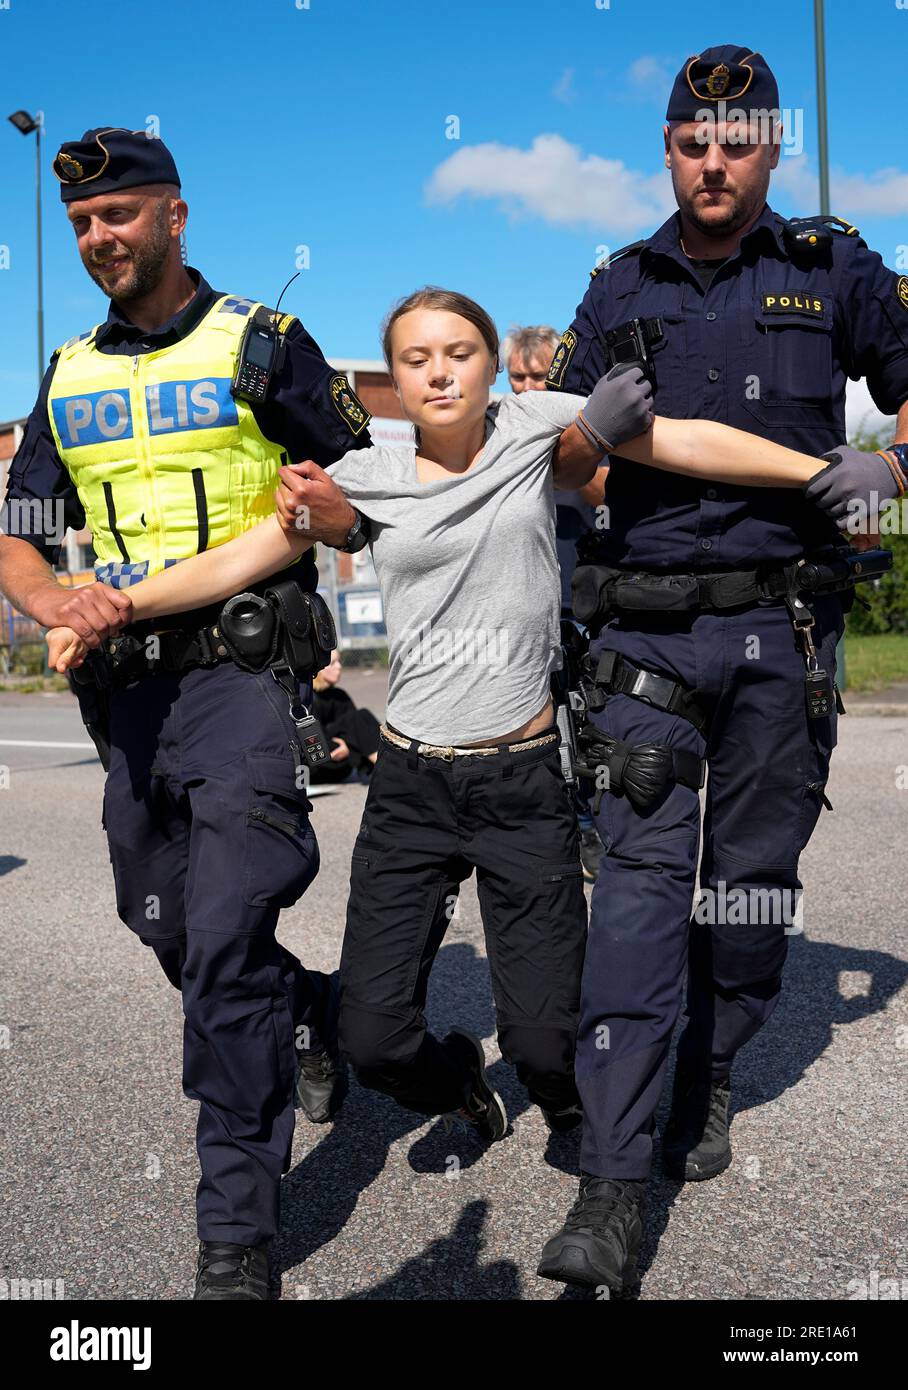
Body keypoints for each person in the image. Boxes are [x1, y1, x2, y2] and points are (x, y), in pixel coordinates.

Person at [47, 285, 890, 1183]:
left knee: (544, 1038)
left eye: (459, 352)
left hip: (524, 779)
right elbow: (242, 557)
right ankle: (456, 1083)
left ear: (491, 363)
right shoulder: (363, 476)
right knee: (371, 1039)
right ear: (394, 382)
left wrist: (822, 472)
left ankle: (566, 1100)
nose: (438, 372)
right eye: (415, 359)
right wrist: (114, 603)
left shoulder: (538, 426)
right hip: (410, 783)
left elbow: (685, 441)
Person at [536, 44, 908, 1294]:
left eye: (734, 142)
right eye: (690, 142)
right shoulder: (613, 283)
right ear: (664, 147)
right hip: (640, 635)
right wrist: (589, 440)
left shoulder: (830, 267)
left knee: (748, 890)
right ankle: (608, 1182)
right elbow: (558, 470)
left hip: (781, 633)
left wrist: (896, 474)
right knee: (637, 898)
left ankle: (708, 1065)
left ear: (768, 148)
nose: (711, 161)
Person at [0, 127, 373, 1300]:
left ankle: (236, 1232)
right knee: (160, 920)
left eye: (119, 216)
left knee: (217, 937)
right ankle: (302, 1011)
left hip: (241, 679)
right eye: (80, 227)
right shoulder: (65, 373)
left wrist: (331, 517)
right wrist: (51, 591)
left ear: (175, 213)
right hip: (125, 697)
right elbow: (17, 532)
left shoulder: (264, 342)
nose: (100, 239)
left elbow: (356, 491)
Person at [505, 324, 608, 882]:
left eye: (539, 376)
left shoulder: (591, 428)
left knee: (588, 720)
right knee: (537, 727)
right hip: (525, 605)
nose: (527, 389)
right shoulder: (500, 432)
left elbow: (609, 492)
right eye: (517, 377)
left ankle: (592, 825)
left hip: (587, 600)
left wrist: (564, 454)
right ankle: (552, 827)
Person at [309, 648, 381, 784]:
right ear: (317, 669)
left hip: (343, 765)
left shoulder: (340, 696)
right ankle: (386, 770)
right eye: (332, 663)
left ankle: (386, 765)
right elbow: (315, 747)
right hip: (318, 768)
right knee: (357, 718)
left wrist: (349, 749)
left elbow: (359, 733)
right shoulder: (307, 699)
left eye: (339, 662)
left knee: (361, 716)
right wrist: (350, 748)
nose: (339, 667)